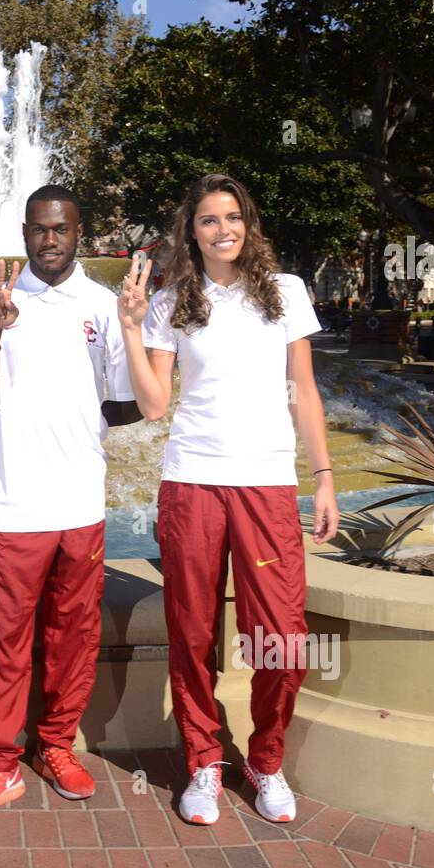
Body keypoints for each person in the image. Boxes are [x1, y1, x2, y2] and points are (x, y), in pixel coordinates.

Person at [117, 172, 340, 827]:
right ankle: (204, 761)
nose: (223, 229)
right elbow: (155, 406)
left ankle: (265, 760)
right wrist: (132, 328)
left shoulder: (287, 295)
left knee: (281, 637)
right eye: (209, 219)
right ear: (193, 231)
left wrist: (324, 474)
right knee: (191, 633)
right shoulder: (169, 303)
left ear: (249, 224)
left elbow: (304, 388)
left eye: (233, 216)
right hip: (191, 482)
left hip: (268, 486)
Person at [0, 185, 141, 825]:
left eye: (60, 228)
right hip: (12, 507)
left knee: (73, 636)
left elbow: (127, 403)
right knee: (2, 641)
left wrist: (138, 330)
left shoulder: (103, 306)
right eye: (38, 229)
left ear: (79, 231)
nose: (49, 239)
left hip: (80, 504)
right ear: (25, 232)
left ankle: (57, 745)